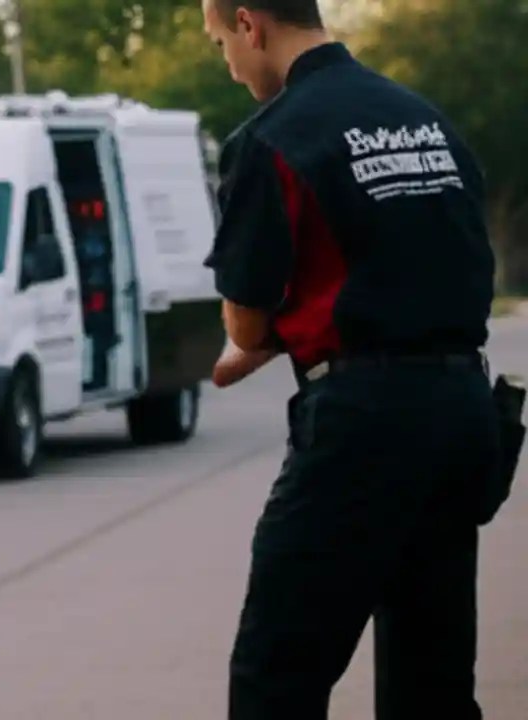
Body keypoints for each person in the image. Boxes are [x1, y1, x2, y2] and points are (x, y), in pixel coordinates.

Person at [199, 1, 500, 718]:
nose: (229, 64)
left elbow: (245, 320)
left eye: (219, 44)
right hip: (463, 417)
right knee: (433, 685)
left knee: (277, 676)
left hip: (364, 432)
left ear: (250, 24)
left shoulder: (272, 139)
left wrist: (259, 337)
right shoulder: (425, 122)